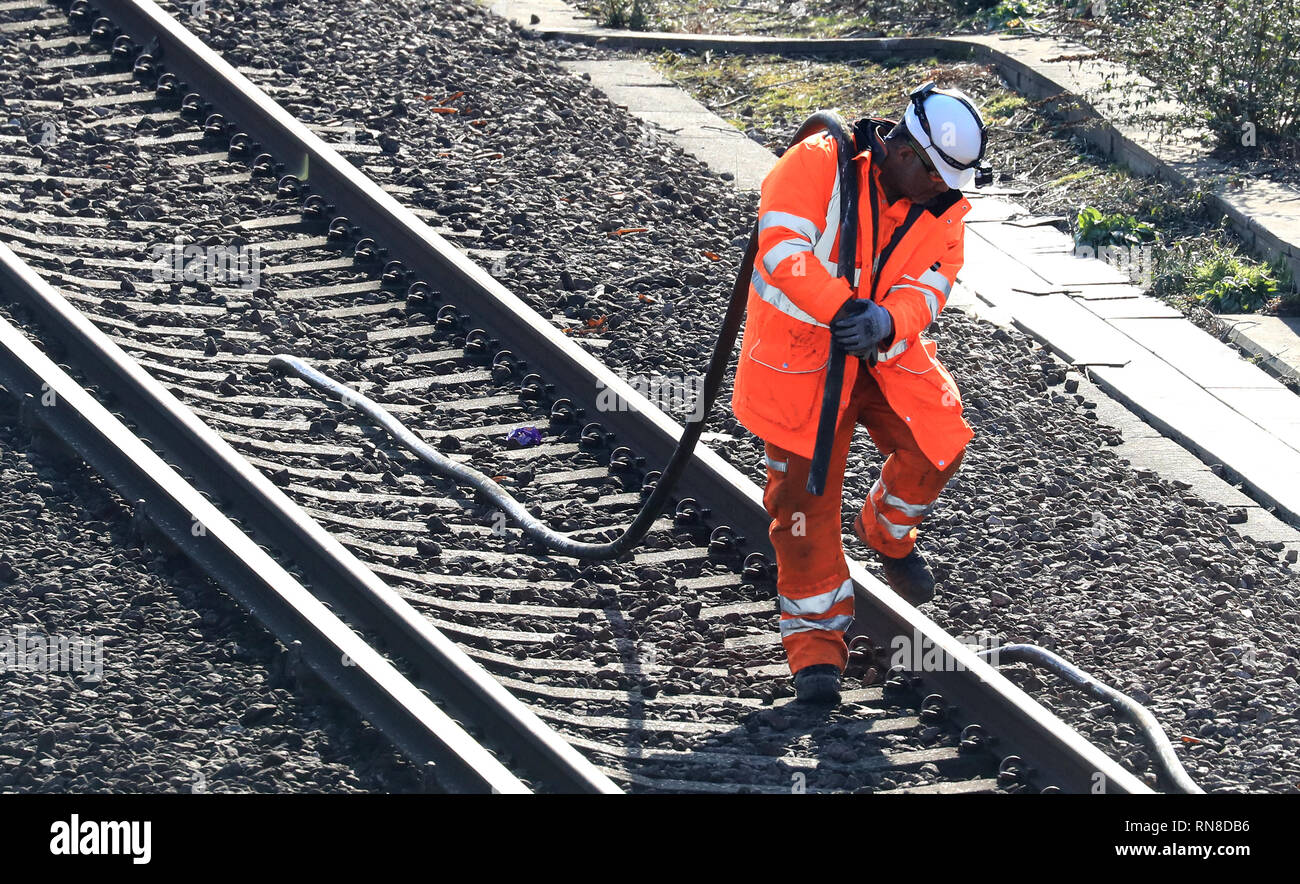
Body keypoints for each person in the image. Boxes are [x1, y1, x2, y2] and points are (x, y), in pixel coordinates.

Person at [731, 84, 989, 705]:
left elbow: (934, 282)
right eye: (936, 174)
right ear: (905, 152)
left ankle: (884, 530)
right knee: (804, 512)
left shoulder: (943, 209)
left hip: (881, 356)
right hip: (805, 366)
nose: (945, 190)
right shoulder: (820, 161)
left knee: (938, 444)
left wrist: (887, 322)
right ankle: (816, 652)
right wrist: (842, 308)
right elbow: (782, 251)